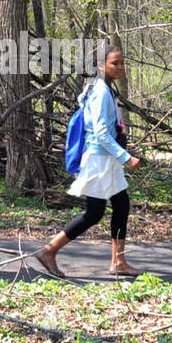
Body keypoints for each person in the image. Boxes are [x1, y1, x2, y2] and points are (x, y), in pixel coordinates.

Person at [32, 44, 143, 278]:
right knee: (94, 213)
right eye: (115, 63)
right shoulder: (101, 90)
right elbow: (102, 134)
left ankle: (118, 262)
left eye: (122, 62)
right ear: (101, 65)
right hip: (99, 159)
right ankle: (49, 250)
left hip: (105, 159)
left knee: (121, 205)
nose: (120, 67)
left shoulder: (100, 87)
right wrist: (126, 157)